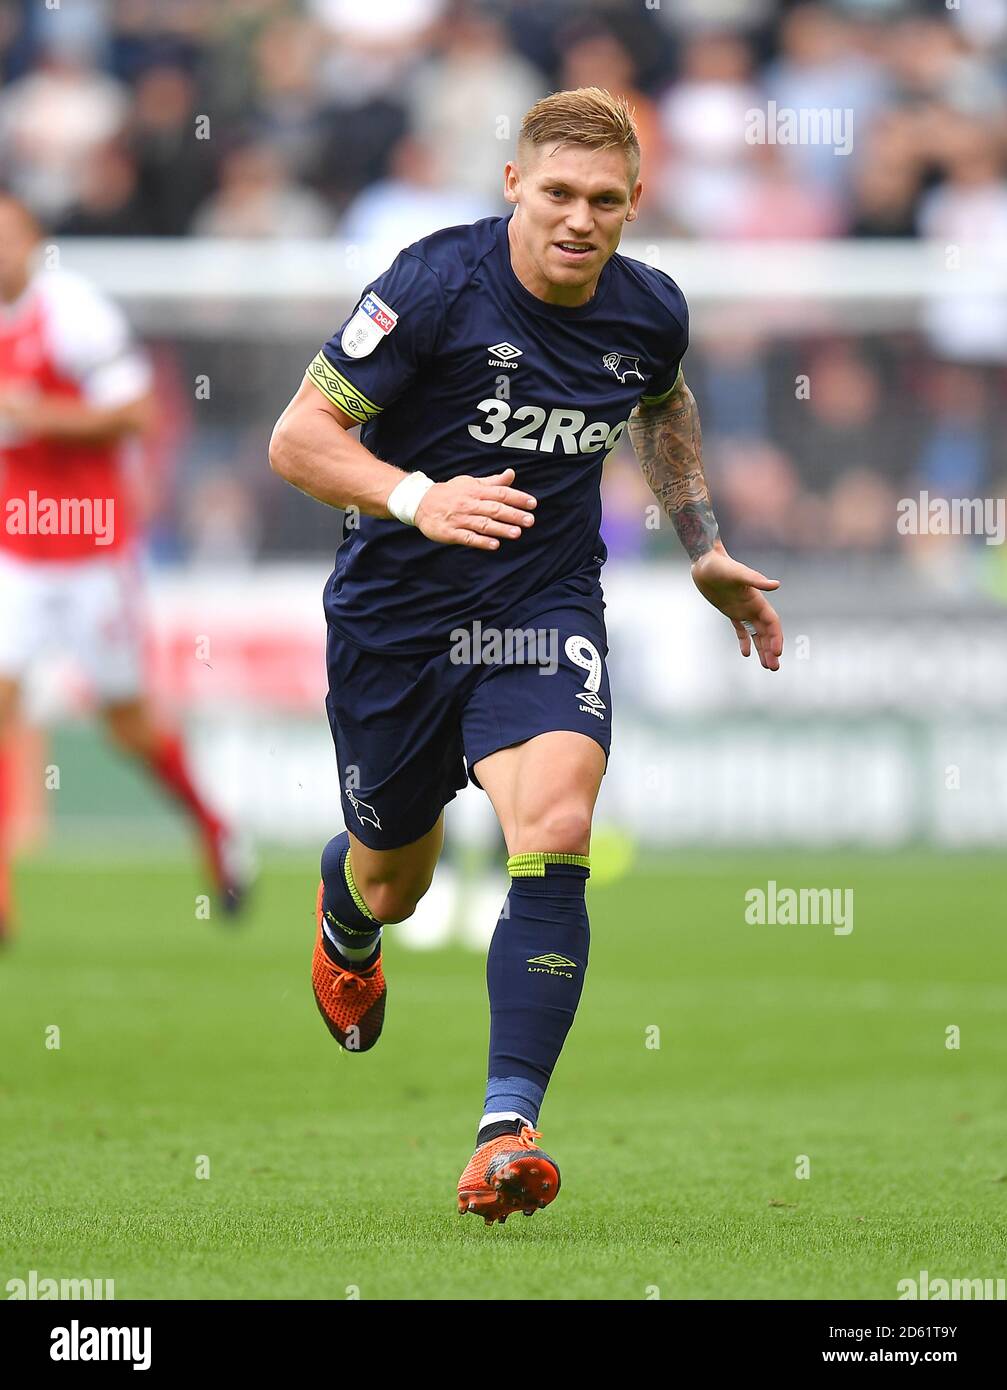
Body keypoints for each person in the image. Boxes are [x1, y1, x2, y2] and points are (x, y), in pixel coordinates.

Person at [269, 88, 783, 1225]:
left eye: (604, 200)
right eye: (556, 192)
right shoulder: (432, 285)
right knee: (392, 877)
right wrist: (416, 495)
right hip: (395, 623)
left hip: (541, 607)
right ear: (513, 185)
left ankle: (506, 1129)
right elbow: (297, 437)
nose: (578, 218)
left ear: (633, 204)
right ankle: (344, 910)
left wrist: (700, 545)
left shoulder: (649, 312)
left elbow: (665, 408)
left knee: (554, 827)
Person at [0, 193, 247, 942]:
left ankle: (213, 827)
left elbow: (140, 414)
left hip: (93, 550)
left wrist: (39, 413)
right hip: (16, 550)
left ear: (33, 242)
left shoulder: (73, 314)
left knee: (125, 723)